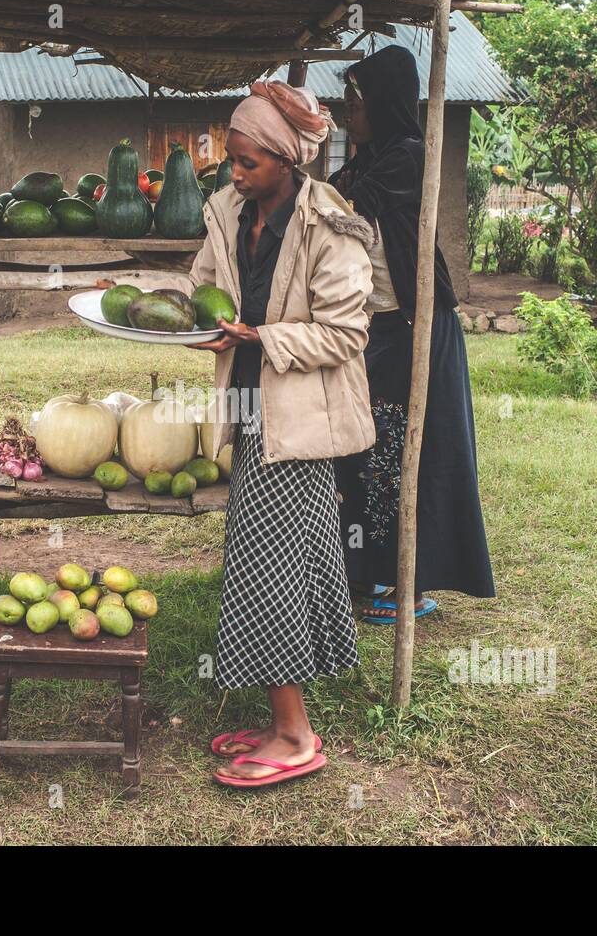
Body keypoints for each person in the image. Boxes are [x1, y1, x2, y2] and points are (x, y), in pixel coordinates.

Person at [164, 80, 376, 788]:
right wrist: (195, 322)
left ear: (288, 161)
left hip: (301, 421)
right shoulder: (227, 211)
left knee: (274, 568)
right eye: (232, 158)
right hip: (251, 409)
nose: (234, 172)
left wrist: (257, 334)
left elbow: (346, 333)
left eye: (249, 162)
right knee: (265, 562)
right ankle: (281, 719)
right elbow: (203, 284)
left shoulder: (333, 227)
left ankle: (297, 736)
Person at [327, 44, 496, 621]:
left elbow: (340, 209)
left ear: (382, 102)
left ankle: (408, 583)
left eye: (357, 101)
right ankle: (372, 574)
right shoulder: (369, 156)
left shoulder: (407, 156)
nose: (349, 112)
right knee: (367, 451)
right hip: (379, 329)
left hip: (418, 327)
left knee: (409, 452)